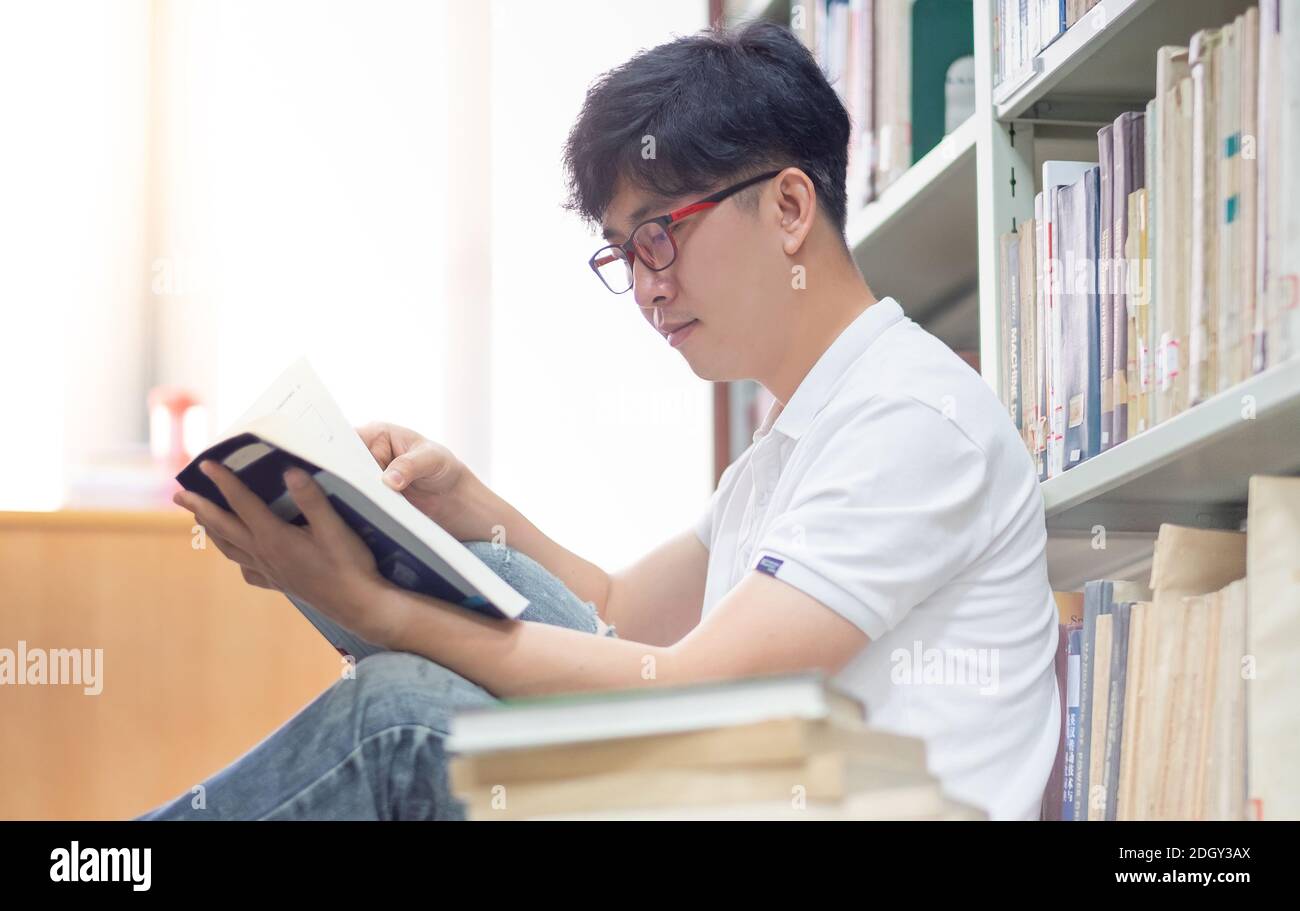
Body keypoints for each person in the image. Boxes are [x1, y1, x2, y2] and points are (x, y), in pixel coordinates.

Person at [141, 20, 1058, 822]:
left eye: (662, 231)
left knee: (401, 717)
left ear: (788, 207)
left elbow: (705, 685)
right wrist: (465, 502)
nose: (648, 284)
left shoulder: (910, 416)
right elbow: (618, 615)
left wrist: (380, 610)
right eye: (624, 251)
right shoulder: (794, 439)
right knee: (485, 571)